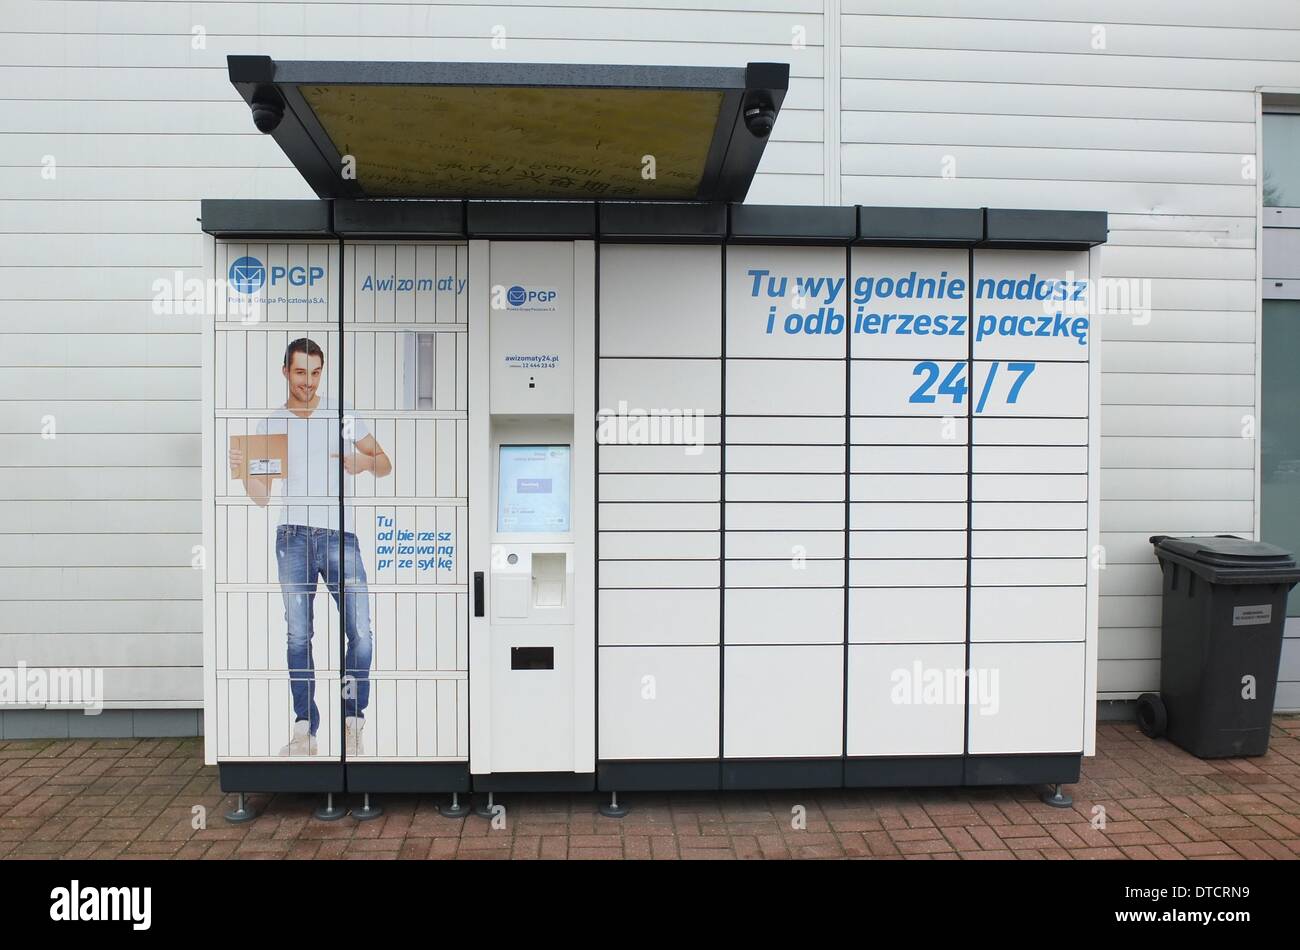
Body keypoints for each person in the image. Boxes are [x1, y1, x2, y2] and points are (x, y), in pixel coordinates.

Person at [228, 337, 392, 757]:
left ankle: (353, 720)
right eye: (300, 372)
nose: (308, 382)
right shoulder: (270, 424)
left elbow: (385, 463)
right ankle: (306, 730)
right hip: (293, 537)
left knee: (360, 632)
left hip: (340, 536)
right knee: (299, 636)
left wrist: (364, 463)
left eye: (315, 372)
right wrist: (242, 471)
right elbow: (262, 496)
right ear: (285, 371)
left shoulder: (342, 414)